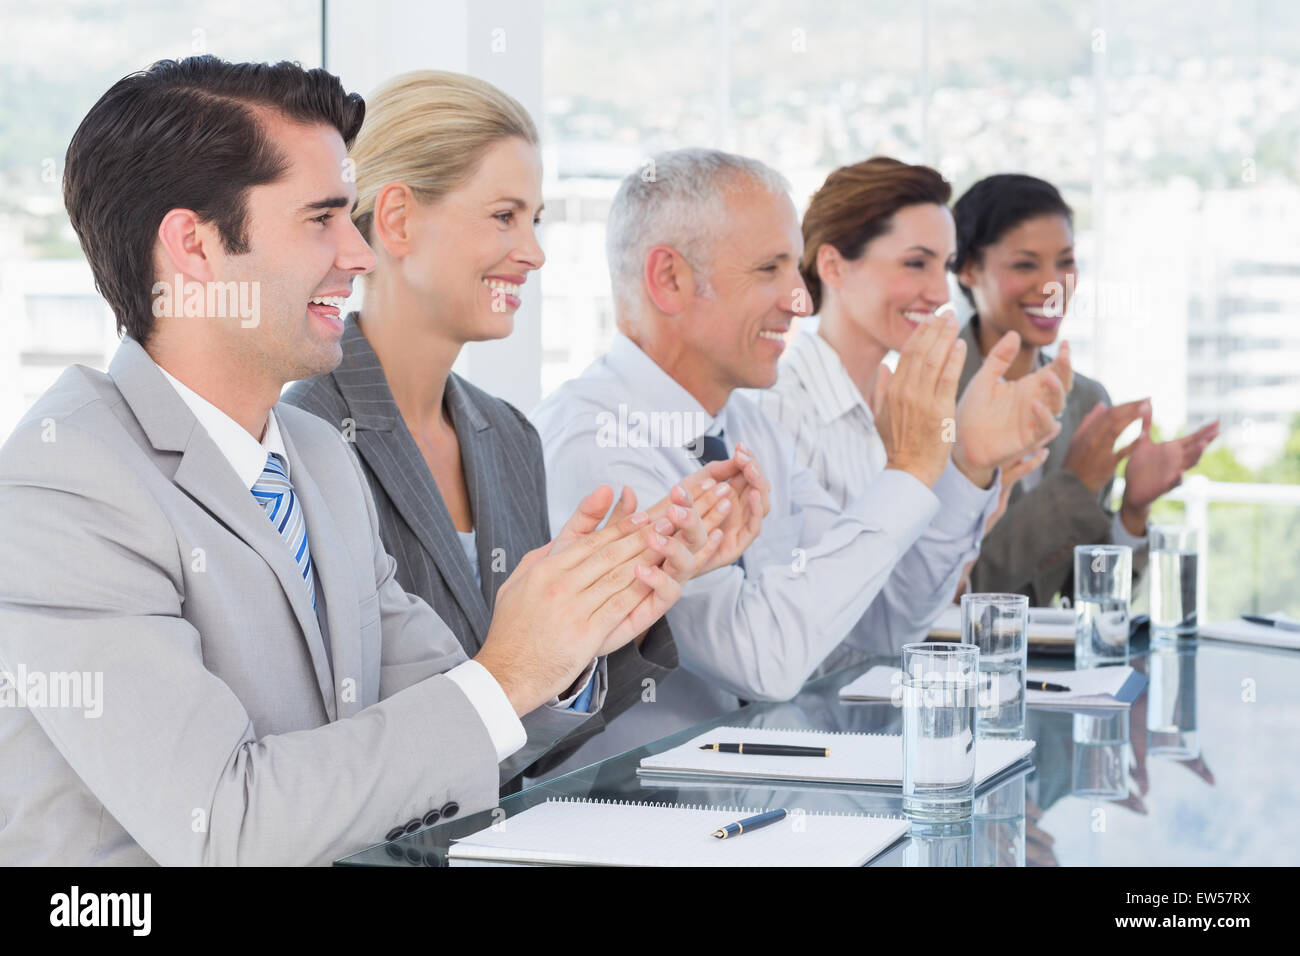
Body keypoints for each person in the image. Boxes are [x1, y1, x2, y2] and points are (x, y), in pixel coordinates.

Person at [0, 56, 697, 866]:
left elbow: (453, 724)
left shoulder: (319, 457)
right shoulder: (66, 484)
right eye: (321, 219)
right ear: (192, 246)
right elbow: (225, 824)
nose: (358, 254)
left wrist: (570, 630)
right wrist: (504, 677)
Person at [283, 71, 756, 789]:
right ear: (400, 220)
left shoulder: (507, 436)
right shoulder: (305, 436)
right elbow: (352, 735)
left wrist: (621, 594)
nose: (534, 252)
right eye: (505, 217)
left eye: (534, 220)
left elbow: (523, 735)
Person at [531, 148, 1064, 773]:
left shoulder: (749, 424)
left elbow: (879, 622)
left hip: (746, 799)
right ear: (669, 279)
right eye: (769, 269)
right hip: (634, 820)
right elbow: (762, 661)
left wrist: (963, 467)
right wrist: (910, 470)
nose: (799, 301)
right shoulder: (598, 444)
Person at [754, 156, 1071, 547]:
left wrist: (972, 485)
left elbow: (910, 601)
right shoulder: (777, 415)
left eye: (946, 265)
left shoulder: (904, 410)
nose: (940, 293)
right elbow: (808, 600)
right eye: (916, 263)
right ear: (834, 267)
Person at [951, 173, 1219, 604]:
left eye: (1066, 261)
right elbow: (955, 590)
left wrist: (1133, 512)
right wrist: (1073, 486)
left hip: (1049, 670)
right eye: (1025, 264)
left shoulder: (1087, 402)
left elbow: (1083, 597)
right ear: (966, 268)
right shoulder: (932, 398)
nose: (1053, 284)